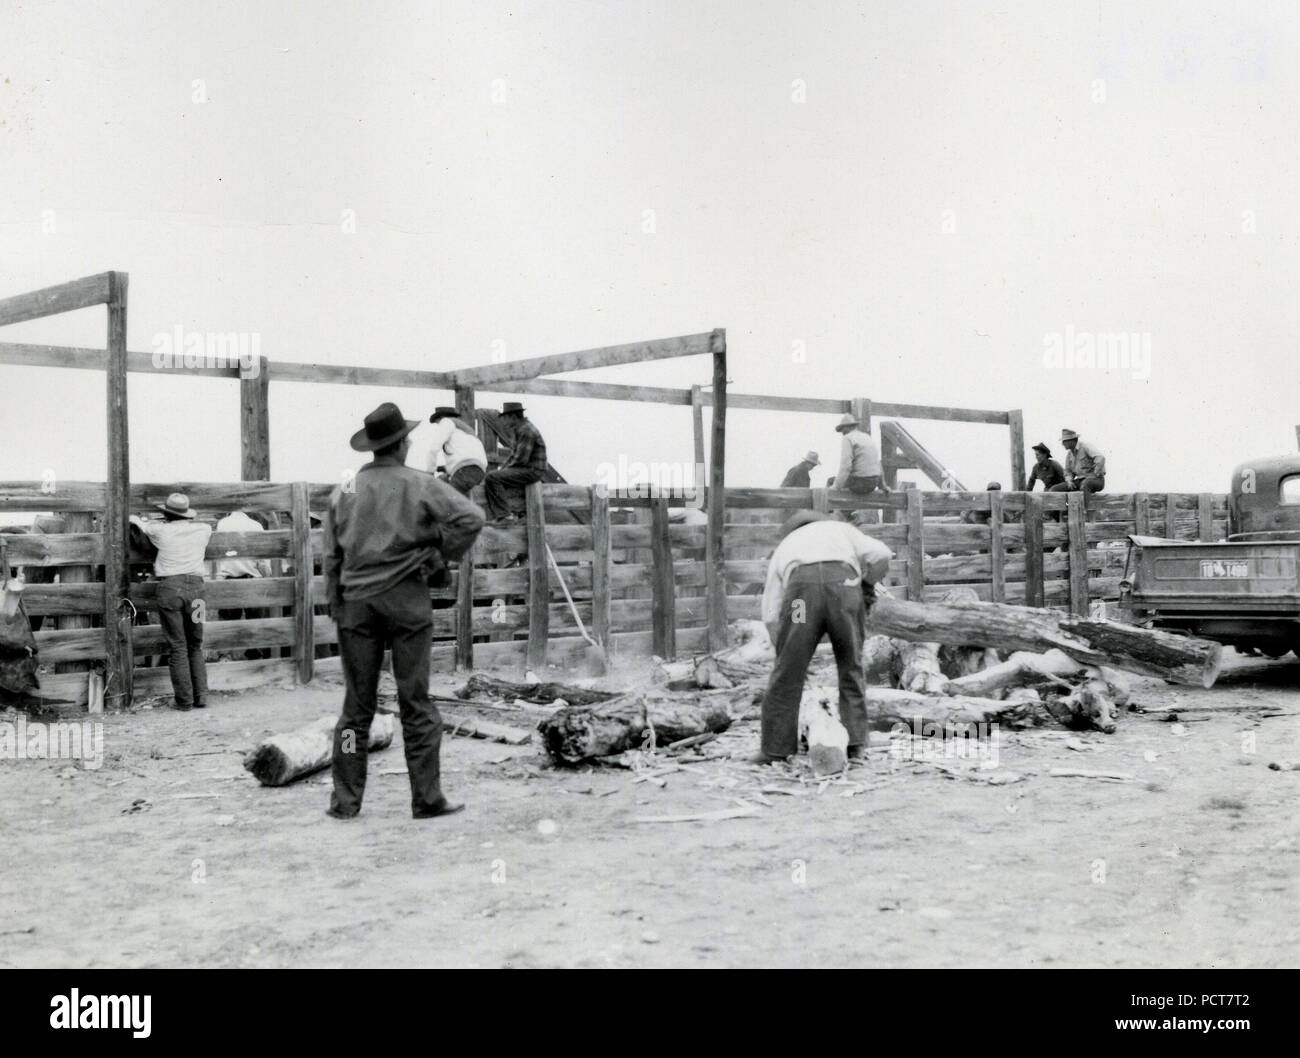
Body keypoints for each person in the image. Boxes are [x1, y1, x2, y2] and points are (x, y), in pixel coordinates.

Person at [324, 402, 485, 820]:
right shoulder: (419, 484)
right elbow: (471, 518)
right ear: (402, 444)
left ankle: (344, 803)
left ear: (373, 448)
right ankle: (427, 799)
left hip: (356, 606)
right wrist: (437, 554)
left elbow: (331, 558)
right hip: (407, 601)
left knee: (355, 709)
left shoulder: (346, 490)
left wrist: (339, 608)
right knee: (415, 701)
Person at [749, 510, 893, 765]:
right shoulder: (842, 530)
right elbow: (882, 554)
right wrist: (867, 584)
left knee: (787, 673)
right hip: (844, 591)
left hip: (801, 599)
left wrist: (785, 651)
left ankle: (774, 749)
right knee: (851, 666)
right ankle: (856, 745)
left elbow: (771, 612)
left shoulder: (786, 545)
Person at [131, 493, 213, 711]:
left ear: (166, 514)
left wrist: (137, 518)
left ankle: (184, 700)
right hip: (197, 591)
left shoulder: (160, 531)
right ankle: (201, 695)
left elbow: (139, 523)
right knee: (195, 643)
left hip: (171, 590)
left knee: (177, 645)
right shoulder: (204, 529)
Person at [210, 509, 272, 660]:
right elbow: (263, 560)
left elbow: (218, 555)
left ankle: (225, 656)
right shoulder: (256, 525)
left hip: (228, 579)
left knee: (228, 622)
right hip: (252, 579)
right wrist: (266, 573)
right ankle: (255, 655)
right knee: (255, 622)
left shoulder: (222, 525)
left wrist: (218, 576)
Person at [483, 402, 548, 522]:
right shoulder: (520, 429)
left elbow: (520, 459)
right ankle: (518, 512)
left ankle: (505, 515)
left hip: (532, 470)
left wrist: (501, 472)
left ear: (513, 417)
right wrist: (502, 470)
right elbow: (513, 456)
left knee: (492, 478)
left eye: (505, 418)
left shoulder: (526, 430)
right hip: (528, 469)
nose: (504, 422)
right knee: (496, 477)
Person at [426, 406, 488, 496]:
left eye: (437, 423)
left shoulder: (446, 422)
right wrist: (441, 468)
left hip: (465, 470)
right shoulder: (464, 430)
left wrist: (430, 472)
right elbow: (463, 457)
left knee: (450, 502)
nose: (438, 426)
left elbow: (433, 449)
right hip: (478, 470)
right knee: (443, 481)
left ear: (440, 418)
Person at [833, 414, 884, 496]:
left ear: (846, 427)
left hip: (861, 483)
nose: (842, 433)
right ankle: (845, 508)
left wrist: (835, 488)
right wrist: (883, 486)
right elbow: (877, 463)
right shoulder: (867, 437)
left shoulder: (848, 438)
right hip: (874, 482)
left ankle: (831, 508)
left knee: (831, 482)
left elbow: (846, 467)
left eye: (842, 429)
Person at [1049, 429, 1106, 495]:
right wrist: (1069, 481)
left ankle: (1082, 505)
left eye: (1064, 441)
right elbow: (1068, 471)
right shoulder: (1069, 455)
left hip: (1096, 480)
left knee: (1085, 484)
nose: (1062, 444)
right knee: (1054, 489)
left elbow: (1100, 457)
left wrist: (1096, 473)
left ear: (1071, 440)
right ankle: (1063, 505)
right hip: (1080, 481)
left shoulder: (1085, 446)